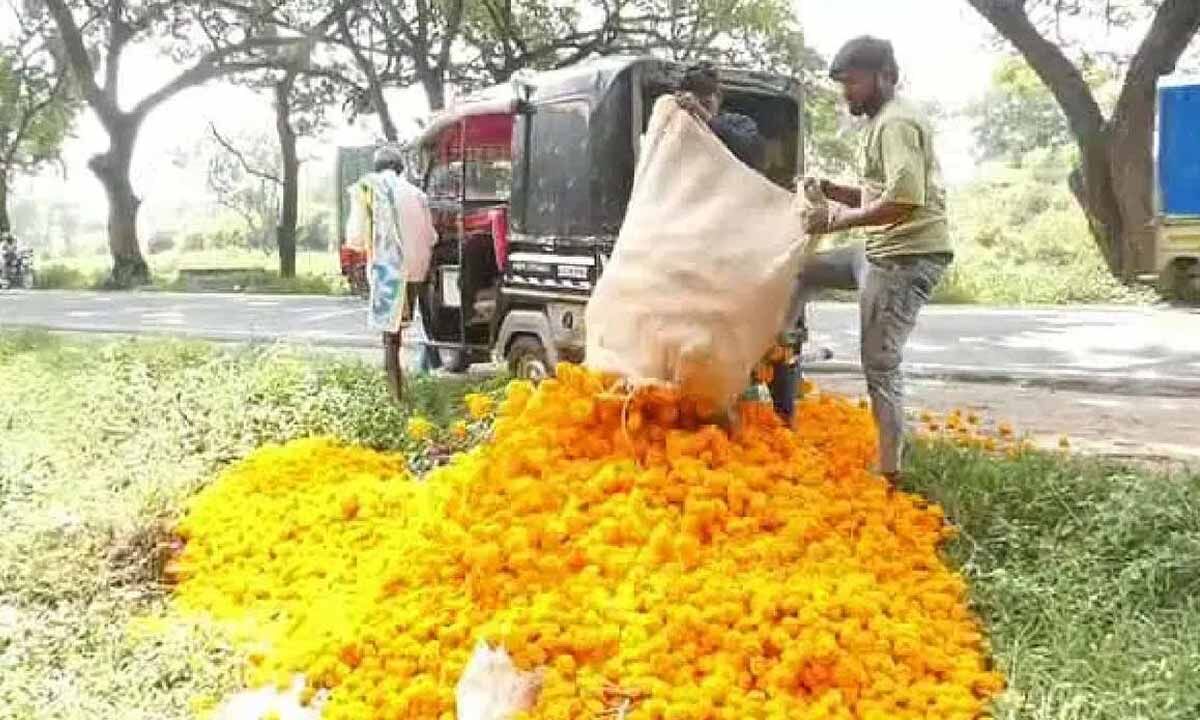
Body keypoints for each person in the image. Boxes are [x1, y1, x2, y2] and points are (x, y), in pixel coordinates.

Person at [803, 36, 953, 485]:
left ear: (884, 76)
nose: (846, 92)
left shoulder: (896, 123)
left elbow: (904, 199)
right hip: (876, 250)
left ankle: (889, 473)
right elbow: (878, 194)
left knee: (880, 364)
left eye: (852, 82)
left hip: (905, 258)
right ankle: (780, 359)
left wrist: (835, 222)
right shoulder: (880, 122)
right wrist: (831, 189)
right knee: (798, 271)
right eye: (842, 83)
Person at [675, 62, 802, 420]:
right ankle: (718, 406)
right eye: (696, 98)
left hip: (744, 242)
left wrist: (705, 120)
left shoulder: (736, 125)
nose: (703, 104)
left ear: (716, 98)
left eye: (707, 98)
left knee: (771, 332)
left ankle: (783, 416)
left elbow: (752, 151)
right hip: (703, 245)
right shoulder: (679, 132)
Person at [345, 144, 439, 400]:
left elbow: (354, 237)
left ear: (376, 167)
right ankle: (409, 380)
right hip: (417, 271)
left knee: (391, 337)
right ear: (400, 168)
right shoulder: (418, 194)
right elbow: (432, 237)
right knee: (404, 328)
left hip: (390, 272)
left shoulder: (367, 189)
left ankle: (394, 394)